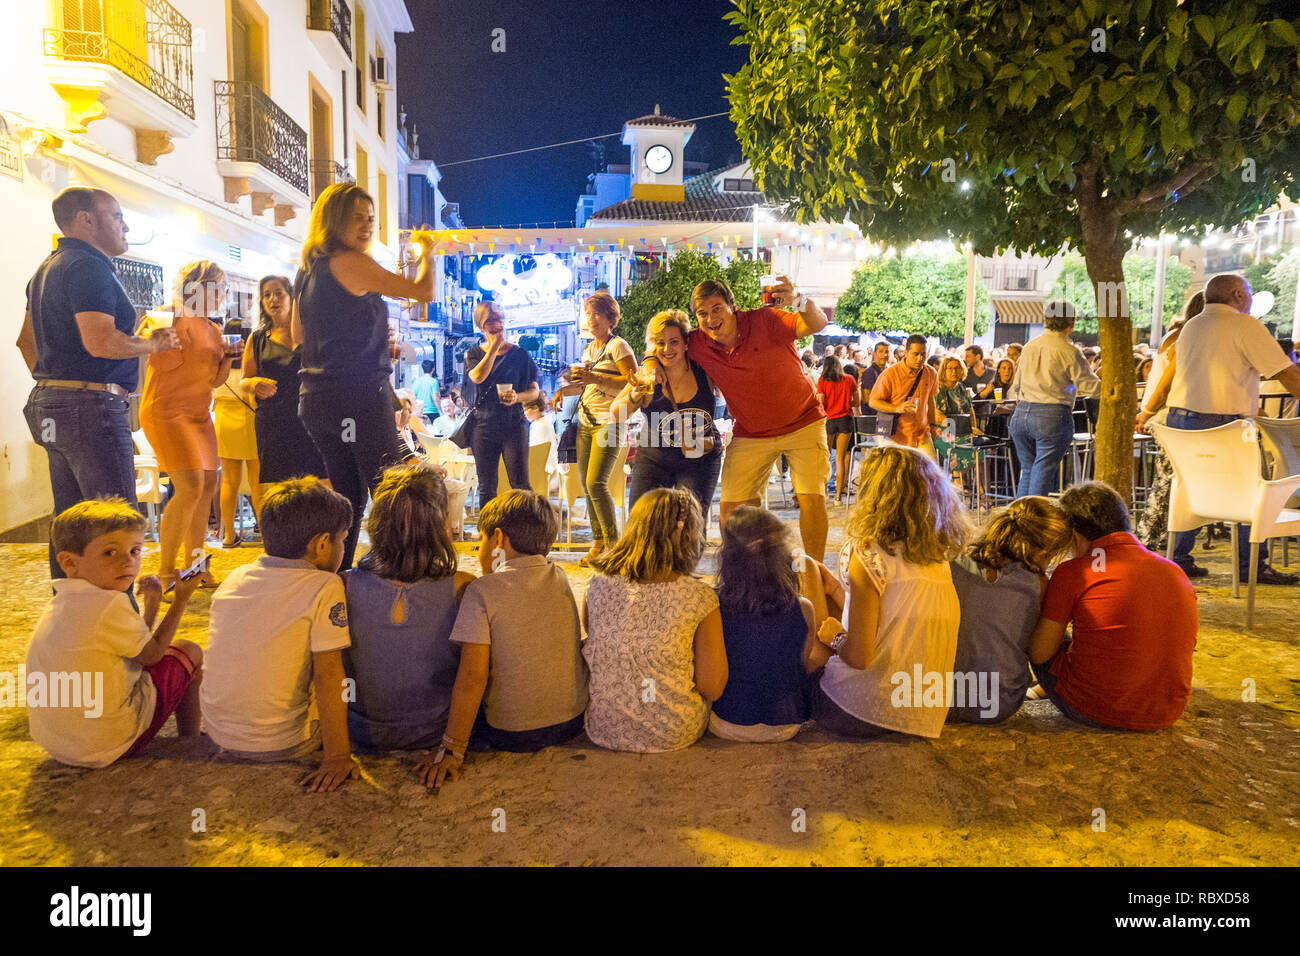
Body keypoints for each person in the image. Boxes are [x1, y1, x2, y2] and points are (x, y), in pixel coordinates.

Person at [17, 187, 180, 579]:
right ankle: (118, 626)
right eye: (117, 216)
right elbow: (101, 341)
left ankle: (72, 615)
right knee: (115, 524)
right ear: (86, 220)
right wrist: (151, 343)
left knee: (71, 525)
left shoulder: (47, 268)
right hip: (90, 409)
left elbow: (26, 342)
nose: (125, 225)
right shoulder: (89, 267)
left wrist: (59, 379)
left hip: (51, 402)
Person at [292, 182, 439, 571]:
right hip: (356, 399)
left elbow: (297, 336)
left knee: (349, 496)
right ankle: (398, 575)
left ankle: (335, 577)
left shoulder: (308, 269)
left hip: (318, 401)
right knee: (390, 490)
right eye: (356, 218)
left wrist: (363, 340)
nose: (367, 226)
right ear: (333, 220)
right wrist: (431, 253)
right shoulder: (351, 261)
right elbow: (422, 292)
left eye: (371, 218)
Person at [416, 491, 588, 788]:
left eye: (481, 540)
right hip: (572, 722)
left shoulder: (482, 591)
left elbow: (473, 676)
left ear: (498, 539)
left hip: (511, 733)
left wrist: (452, 748)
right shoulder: (559, 576)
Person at [200, 477, 359, 791]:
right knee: (346, 666)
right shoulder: (325, 586)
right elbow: (329, 675)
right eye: (342, 539)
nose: (343, 547)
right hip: (283, 742)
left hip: (220, 734)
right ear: (322, 545)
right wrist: (338, 755)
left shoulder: (236, 576)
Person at [1141, 274, 1300, 585]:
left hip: (1179, 421)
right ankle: (1251, 566)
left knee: (1188, 492)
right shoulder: (1245, 325)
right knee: (1252, 490)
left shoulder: (1191, 327)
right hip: (1223, 423)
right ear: (1238, 295)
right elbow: (1287, 374)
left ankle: (1179, 559)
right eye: (1250, 293)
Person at [26, 498, 203, 767]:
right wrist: (180, 600)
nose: (127, 563)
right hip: (107, 744)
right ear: (69, 562)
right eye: (110, 553)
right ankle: (190, 741)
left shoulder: (62, 601)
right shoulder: (109, 604)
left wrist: (152, 605)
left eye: (135, 551)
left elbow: (134, 648)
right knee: (189, 651)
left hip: (59, 744)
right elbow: (152, 655)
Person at [813, 445, 967, 739]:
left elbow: (859, 657)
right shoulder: (938, 556)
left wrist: (832, 636)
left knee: (808, 657)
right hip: (922, 714)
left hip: (860, 711)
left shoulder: (869, 554)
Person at [1029, 481, 1198, 730]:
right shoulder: (1174, 570)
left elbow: (1040, 653)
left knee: (1039, 621)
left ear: (1074, 536)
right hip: (1167, 711)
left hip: (1093, 709)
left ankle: (1048, 685)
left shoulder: (1074, 572)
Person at [686, 276, 831, 558]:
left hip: (803, 420)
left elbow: (817, 323)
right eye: (702, 313)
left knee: (810, 497)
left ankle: (817, 572)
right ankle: (750, 571)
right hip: (751, 431)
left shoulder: (766, 320)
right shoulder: (699, 343)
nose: (710, 319)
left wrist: (797, 300)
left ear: (733, 307)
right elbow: (665, 345)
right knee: (731, 509)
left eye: (717, 309)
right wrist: (650, 364)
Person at [342, 463, 475, 752]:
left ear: (377, 523)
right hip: (436, 732)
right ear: (442, 523)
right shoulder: (464, 588)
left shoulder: (343, 586)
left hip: (361, 732)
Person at [582, 487, 726, 752]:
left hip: (604, 726)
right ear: (689, 535)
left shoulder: (597, 585)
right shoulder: (700, 597)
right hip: (673, 731)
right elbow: (712, 686)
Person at [140, 261, 238, 591]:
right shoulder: (172, 312)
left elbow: (214, 380)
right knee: (191, 486)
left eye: (223, 288)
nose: (221, 294)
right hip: (167, 411)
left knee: (208, 484)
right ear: (196, 286)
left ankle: (195, 568)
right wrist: (149, 332)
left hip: (198, 415)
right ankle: (166, 574)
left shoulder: (213, 329)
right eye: (217, 286)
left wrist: (227, 359)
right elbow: (148, 338)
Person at [947, 497, 1074, 724]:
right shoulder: (1038, 584)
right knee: (1050, 636)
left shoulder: (956, 562)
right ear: (1042, 552)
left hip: (939, 697)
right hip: (997, 702)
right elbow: (1043, 649)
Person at [709, 507, 829, 742]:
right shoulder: (803, 608)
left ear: (727, 559)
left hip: (725, 722)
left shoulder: (712, 606)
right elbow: (799, 666)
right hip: (785, 725)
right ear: (783, 556)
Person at [610, 310, 722, 519]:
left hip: (698, 456)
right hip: (655, 457)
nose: (667, 349)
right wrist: (637, 392)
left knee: (689, 523)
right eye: (660, 343)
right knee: (642, 522)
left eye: (674, 342)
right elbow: (616, 414)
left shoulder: (703, 370)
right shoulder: (647, 372)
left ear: (686, 343)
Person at [555, 292, 637, 565]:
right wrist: (566, 390)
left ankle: (614, 546)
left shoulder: (618, 346)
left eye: (597, 315)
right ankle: (598, 542)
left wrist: (594, 377)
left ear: (610, 317)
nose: (591, 320)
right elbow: (587, 384)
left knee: (596, 483)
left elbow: (631, 385)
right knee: (588, 487)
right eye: (588, 315)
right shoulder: (590, 349)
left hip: (610, 422)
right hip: (586, 422)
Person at [1006, 301, 1100, 498]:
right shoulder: (1069, 350)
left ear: (1046, 320)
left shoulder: (1030, 346)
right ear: (1071, 323)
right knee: (1043, 470)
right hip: (1052, 415)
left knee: (1028, 470)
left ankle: (1021, 519)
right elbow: (1088, 385)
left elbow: (1017, 384)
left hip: (1022, 413)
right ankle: (1035, 521)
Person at [242, 275, 326, 494]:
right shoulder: (257, 338)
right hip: (273, 422)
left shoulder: (310, 333)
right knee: (282, 489)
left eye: (279, 293)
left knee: (319, 483)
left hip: (310, 417)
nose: (273, 299)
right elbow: (244, 380)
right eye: (266, 295)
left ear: (292, 297)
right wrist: (253, 383)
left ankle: (317, 528)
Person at [462, 300, 543, 507]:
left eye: (499, 318)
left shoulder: (520, 355)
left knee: (520, 484)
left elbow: (534, 391)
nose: (497, 323)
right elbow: (477, 377)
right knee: (487, 486)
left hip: (513, 424)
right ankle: (488, 534)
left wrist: (518, 397)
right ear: (481, 325)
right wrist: (493, 348)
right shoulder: (474, 354)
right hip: (483, 426)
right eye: (490, 320)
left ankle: (526, 531)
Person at [213, 325, 261, 548]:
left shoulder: (219, 366)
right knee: (256, 482)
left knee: (229, 482)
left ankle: (228, 535)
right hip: (249, 421)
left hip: (223, 422)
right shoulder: (250, 366)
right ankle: (267, 534)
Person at [868, 333, 942, 457]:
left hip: (922, 434)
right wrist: (897, 408)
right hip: (895, 436)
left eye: (923, 354)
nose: (920, 358)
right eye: (916, 354)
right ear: (906, 353)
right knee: (897, 474)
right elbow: (873, 401)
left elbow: (930, 400)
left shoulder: (930, 373)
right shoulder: (890, 374)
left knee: (929, 473)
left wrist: (933, 425)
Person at [816, 355, 860, 501]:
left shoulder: (822, 380)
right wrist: (845, 404)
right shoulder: (849, 379)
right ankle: (838, 496)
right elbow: (857, 401)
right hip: (845, 419)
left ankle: (824, 492)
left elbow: (820, 402)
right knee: (840, 458)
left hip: (829, 420)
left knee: (826, 457)